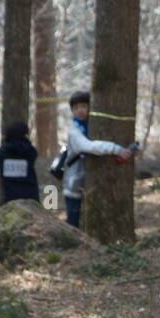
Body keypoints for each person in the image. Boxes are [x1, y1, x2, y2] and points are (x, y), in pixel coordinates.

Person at [62, 90, 137, 228]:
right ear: (71, 110)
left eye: (84, 106)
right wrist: (117, 149)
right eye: (76, 108)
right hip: (74, 185)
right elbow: (89, 146)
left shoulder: (91, 125)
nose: (80, 111)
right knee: (73, 224)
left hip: (86, 184)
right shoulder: (75, 131)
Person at [0, 120, 41, 204]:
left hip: (10, 199)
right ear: (25, 134)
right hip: (30, 197)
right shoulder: (30, 150)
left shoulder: (3, 151)